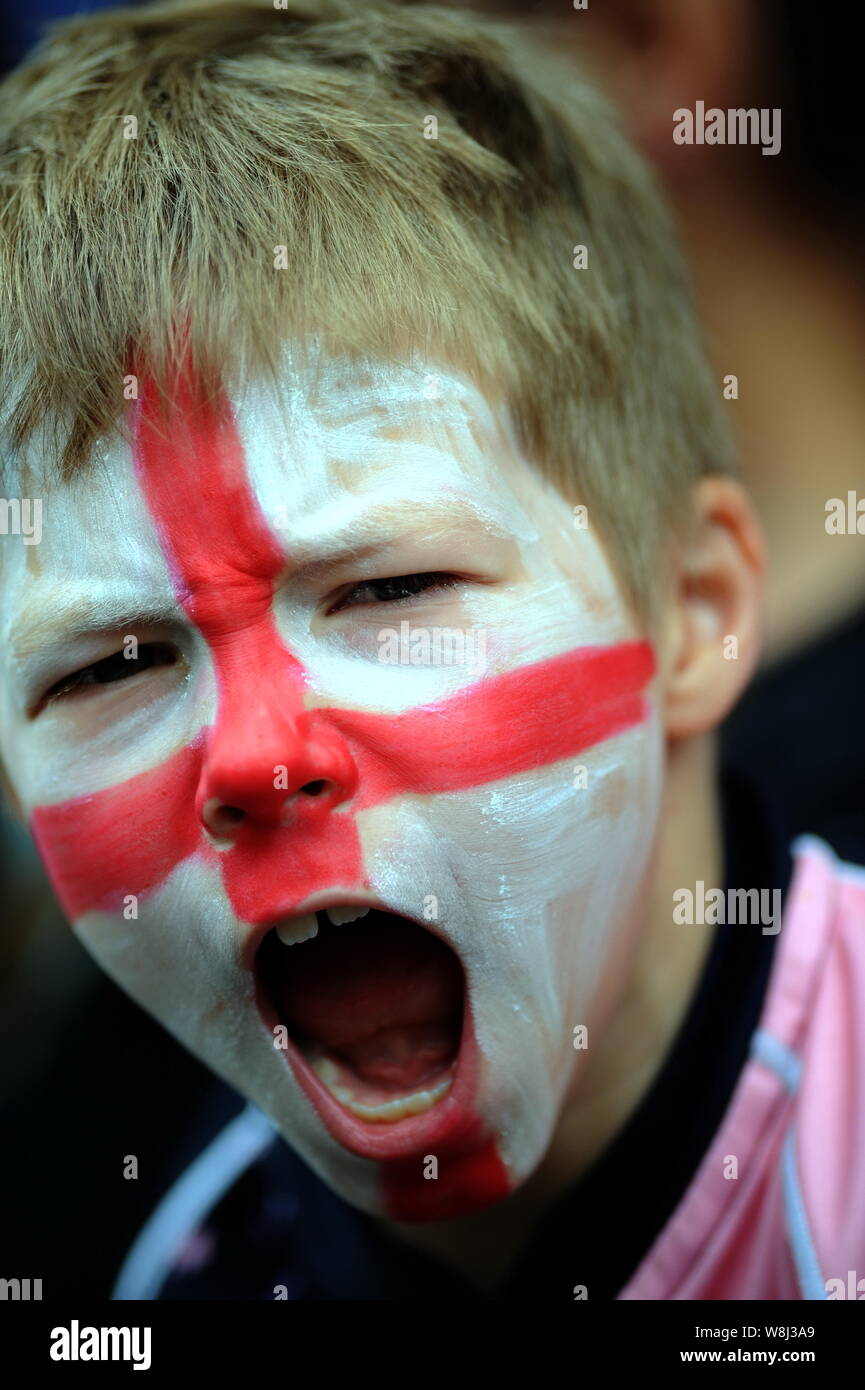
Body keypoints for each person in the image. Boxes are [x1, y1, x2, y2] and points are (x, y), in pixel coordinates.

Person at [0, 0, 862, 1301]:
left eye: (387, 587)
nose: (251, 756)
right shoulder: (154, 1268)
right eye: (106, 667)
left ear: (691, 612)